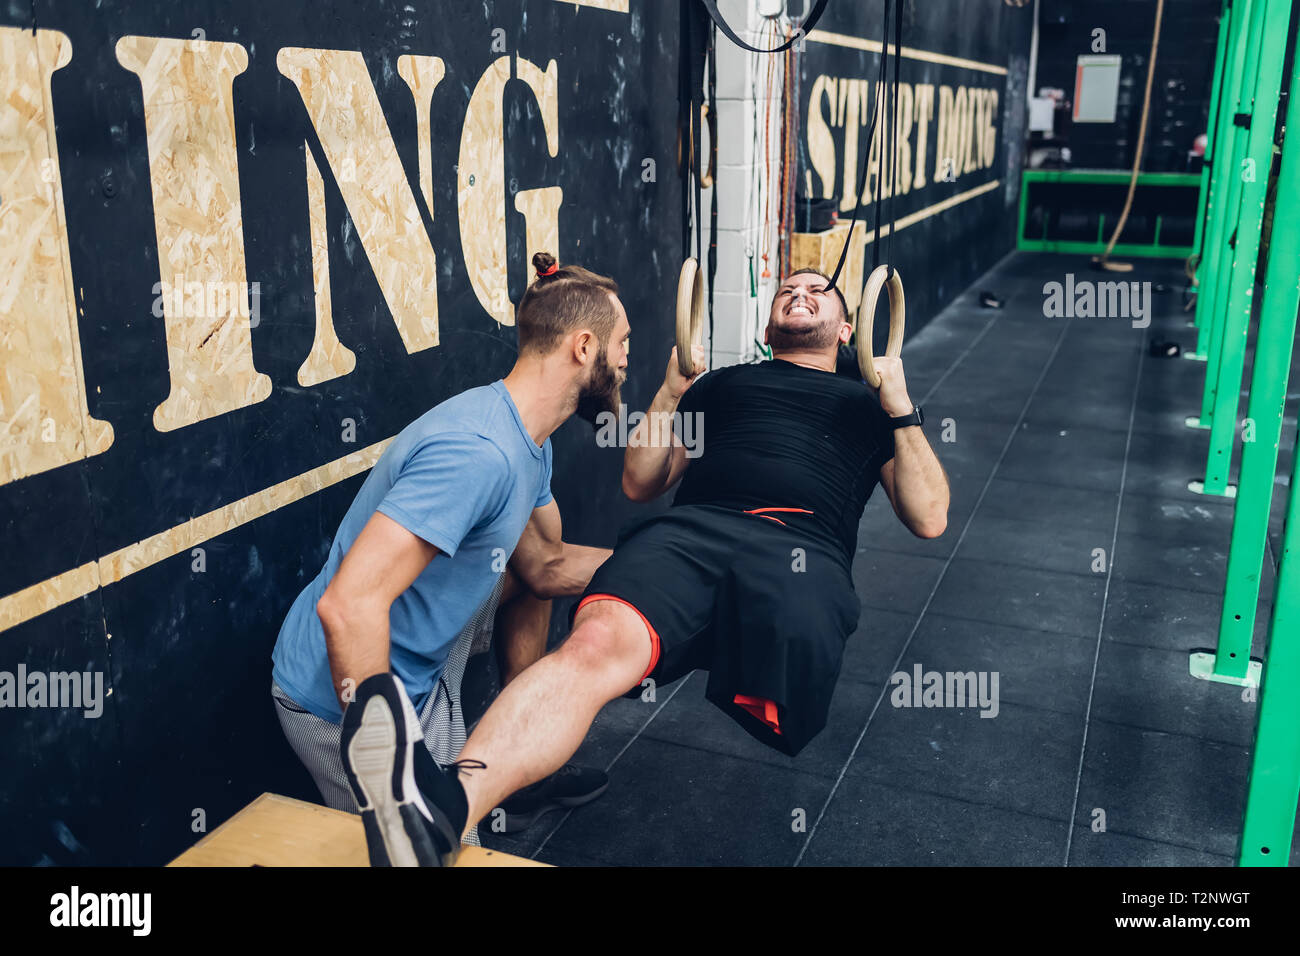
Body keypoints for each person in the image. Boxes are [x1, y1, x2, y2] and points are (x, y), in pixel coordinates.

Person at [343, 267, 950, 866]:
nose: (800, 294)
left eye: (818, 291)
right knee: (590, 646)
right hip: (690, 535)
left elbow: (929, 518)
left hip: (799, 550)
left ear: (848, 329)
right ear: (769, 322)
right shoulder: (723, 386)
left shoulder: (868, 406)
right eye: (788, 289)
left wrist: (899, 407)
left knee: (793, 625)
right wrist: (669, 392)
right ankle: (443, 810)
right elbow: (640, 481)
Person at [270, 252, 628, 839]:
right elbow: (348, 608)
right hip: (338, 696)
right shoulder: (478, 453)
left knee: (524, 581)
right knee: (440, 843)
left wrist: (671, 570)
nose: (626, 359)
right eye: (622, 343)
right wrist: (398, 774)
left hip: (422, 639)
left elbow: (546, 567)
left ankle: (524, 767)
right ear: (584, 347)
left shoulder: (530, 438)